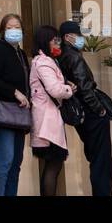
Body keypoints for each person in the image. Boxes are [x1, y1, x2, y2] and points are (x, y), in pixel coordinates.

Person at [57, 20, 112, 196]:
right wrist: (100, 110)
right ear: (68, 37)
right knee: (101, 160)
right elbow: (85, 87)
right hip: (91, 114)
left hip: (80, 115)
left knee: (94, 157)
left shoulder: (62, 56)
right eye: (78, 35)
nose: (81, 38)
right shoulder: (74, 56)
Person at [0, 12, 30, 197]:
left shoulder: (21, 53)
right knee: (5, 161)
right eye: (9, 28)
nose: (13, 31)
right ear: (3, 31)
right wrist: (15, 92)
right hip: (4, 115)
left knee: (16, 162)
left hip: (20, 115)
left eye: (17, 27)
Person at [29, 24, 75, 197]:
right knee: (53, 165)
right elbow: (55, 90)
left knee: (53, 165)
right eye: (54, 40)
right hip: (47, 122)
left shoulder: (47, 61)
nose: (58, 44)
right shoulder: (43, 63)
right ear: (44, 41)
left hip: (49, 120)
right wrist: (69, 90)